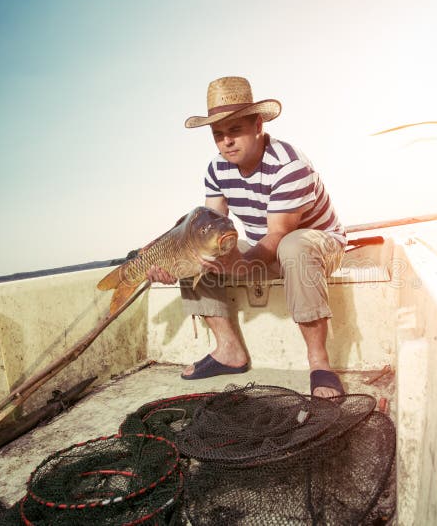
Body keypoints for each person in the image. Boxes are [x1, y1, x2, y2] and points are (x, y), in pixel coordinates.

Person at [147, 76, 347, 399]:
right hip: (264, 246)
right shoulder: (217, 170)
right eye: (218, 134)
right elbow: (211, 222)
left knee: (292, 246)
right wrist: (177, 264)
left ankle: (319, 363)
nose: (227, 142)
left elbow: (279, 235)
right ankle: (229, 350)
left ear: (258, 125)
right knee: (198, 251)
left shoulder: (289, 165)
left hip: (316, 246)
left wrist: (239, 262)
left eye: (235, 130)